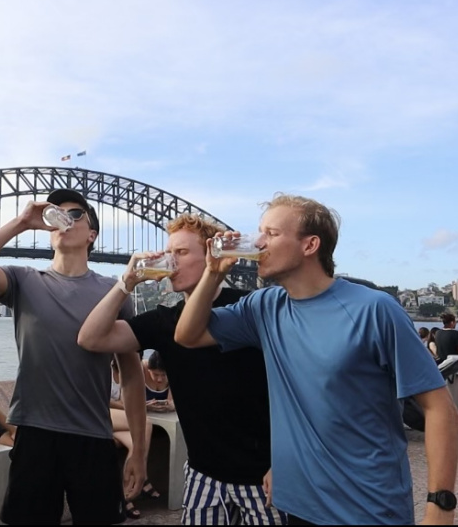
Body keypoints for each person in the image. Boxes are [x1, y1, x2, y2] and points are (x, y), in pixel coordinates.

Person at [174, 193, 458, 525]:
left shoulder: (374, 309)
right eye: (259, 232)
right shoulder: (264, 307)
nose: (258, 242)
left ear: (309, 245)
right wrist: (213, 273)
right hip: (298, 506)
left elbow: (439, 407)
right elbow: (187, 335)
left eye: (272, 233)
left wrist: (441, 507)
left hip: (367, 508)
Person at [0, 188, 147, 525]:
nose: (65, 221)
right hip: (35, 434)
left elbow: (130, 376)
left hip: (93, 436)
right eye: (57, 215)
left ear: (92, 235)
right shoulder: (24, 281)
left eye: (76, 215)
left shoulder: (115, 292)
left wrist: (140, 453)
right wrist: (22, 222)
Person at [79, 213, 282, 525]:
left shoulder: (250, 309)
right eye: (169, 252)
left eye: (182, 252)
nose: (170, 261)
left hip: (263, 476)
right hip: (203, 475)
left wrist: (285, 462)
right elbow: (91, 338)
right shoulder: (163, 321)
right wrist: (126, 282)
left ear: (213, 254)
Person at [108, 358, 158, 520]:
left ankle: (124, 494)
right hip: (100, 412)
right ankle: (142, 478)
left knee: (134, 444)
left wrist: (132, 404)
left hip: (114, 419)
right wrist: (135, 405)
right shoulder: (105, 370)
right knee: (145, 423)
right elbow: (104, 399)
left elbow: (125, 400)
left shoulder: (125, 372)